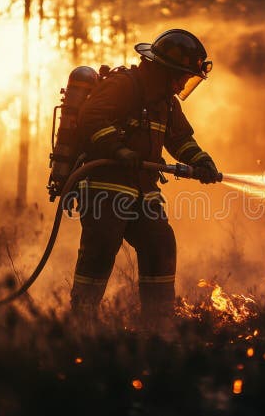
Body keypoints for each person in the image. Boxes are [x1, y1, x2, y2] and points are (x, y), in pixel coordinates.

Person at [72, 29, 220, 327]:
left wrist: (201, 160)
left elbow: (180, 140)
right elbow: (91, 118)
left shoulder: (166, 102)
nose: (182, 84)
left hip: (143, 189)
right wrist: (118, 149)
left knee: (161, 244)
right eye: (181, 76)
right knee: (101, 248)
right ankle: (80, 323)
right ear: (166, 70)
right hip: (105, 185)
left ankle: (157, 324)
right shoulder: (124, 85)